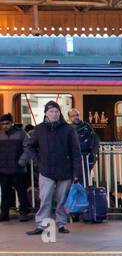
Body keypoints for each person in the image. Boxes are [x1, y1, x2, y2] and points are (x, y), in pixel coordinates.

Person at [24, 101, 81, 236]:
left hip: (65, 170)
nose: (54, 114)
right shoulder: (39, 129)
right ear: (45, 114)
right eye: (51, 111)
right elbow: (30, 146)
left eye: (56, 111)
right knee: (45, 199)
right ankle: (41, 224)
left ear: (59, 113)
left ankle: (61, 224)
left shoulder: (68, 129)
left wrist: (76, 172)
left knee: (61, 200)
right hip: (46, 170)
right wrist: (38, 161)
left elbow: (75, 151)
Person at [67, 108, 100, 223]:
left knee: (84, 185)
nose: (76, 117)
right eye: (73, 115)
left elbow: (95, 141)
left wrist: (93, 156)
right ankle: (73, 211)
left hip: (86, 159)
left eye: (77, 115)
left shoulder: (87, 127)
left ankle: (85, 211)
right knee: (72, 186)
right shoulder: (67, 129)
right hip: (73, 161)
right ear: (69, 117)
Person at [0, 113, 33, 222]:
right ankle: (4, 214)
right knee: (5, 193)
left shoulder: (21, 134)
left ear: (12, 123)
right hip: (3, 169)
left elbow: (28, 148)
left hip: (18, 169)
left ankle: (24, 213)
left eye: (7, 123)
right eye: (3, 124)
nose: (5, 126)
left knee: (21, 192)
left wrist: (21, 162)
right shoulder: (0, 134)